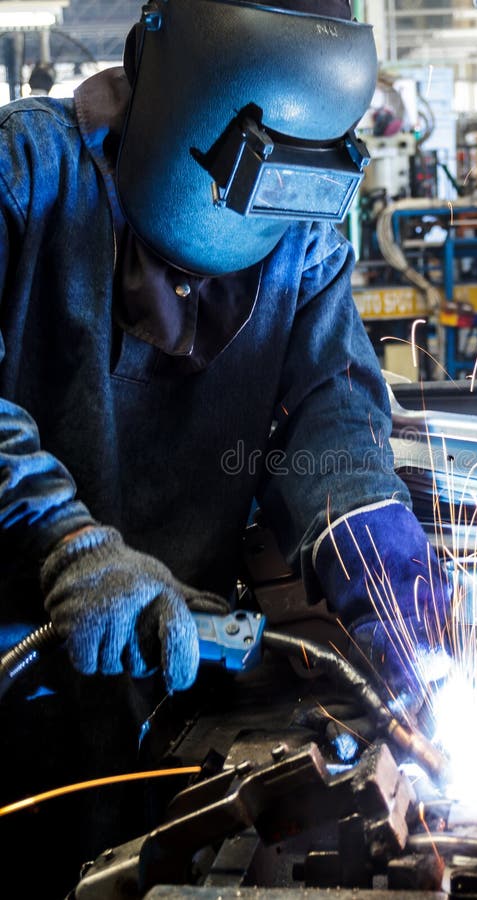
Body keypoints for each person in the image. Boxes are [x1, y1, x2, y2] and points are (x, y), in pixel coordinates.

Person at [0, 1, 448, 892]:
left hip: (175, 680)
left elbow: (331, 409)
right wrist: (68, 542)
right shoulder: (26, 173)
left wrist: (377, 551)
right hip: (18, 669)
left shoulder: (302, 237)